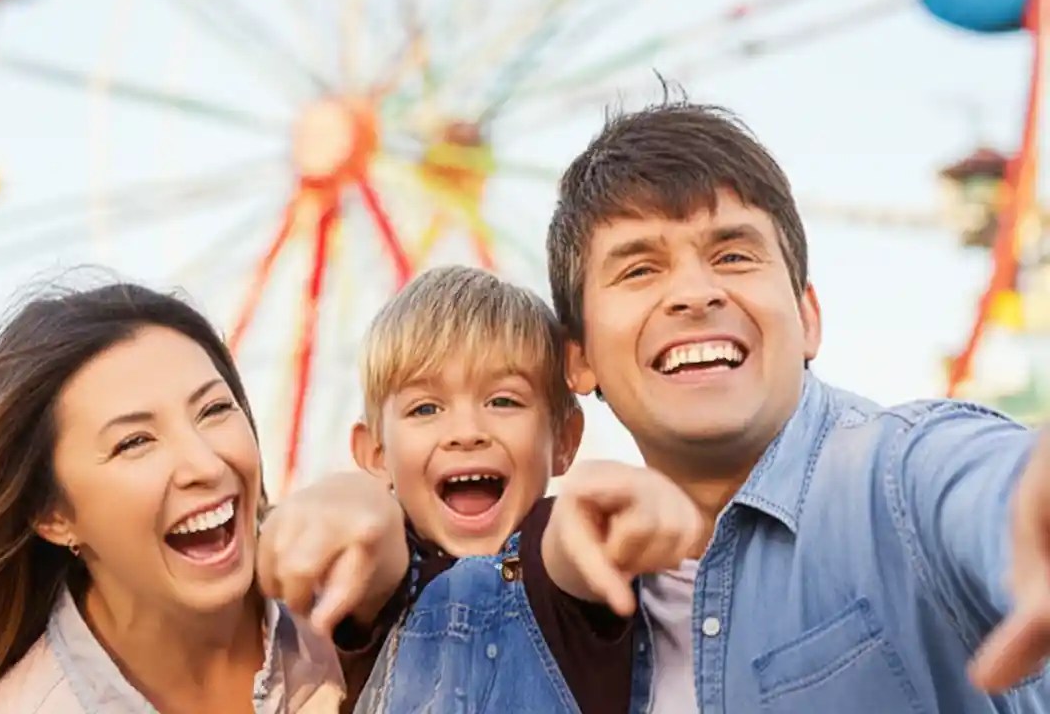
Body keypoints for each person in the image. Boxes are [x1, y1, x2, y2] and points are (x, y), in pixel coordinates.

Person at [539, 92, 1050, 712]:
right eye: (640, 270)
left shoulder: (898, 477)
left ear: (808, 317)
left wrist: (1027, 513)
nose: (695, 294)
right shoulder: (557, 592)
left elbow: (990, 484)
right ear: (580, 358)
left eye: (733, 256)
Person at [0, 282, 344, 713]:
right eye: (135, 442)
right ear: (52, 514)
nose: (205, 464)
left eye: (214, 410)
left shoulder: (351, 611)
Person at [257, 265, 704, 713]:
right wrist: (353, 501)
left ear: (564, 441)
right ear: (376, 454)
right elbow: (377, 554)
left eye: (503, 401)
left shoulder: (554, 549)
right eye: (426, 408)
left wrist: (604, 512)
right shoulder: (380, 567)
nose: (466, 432)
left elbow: (569, 553)